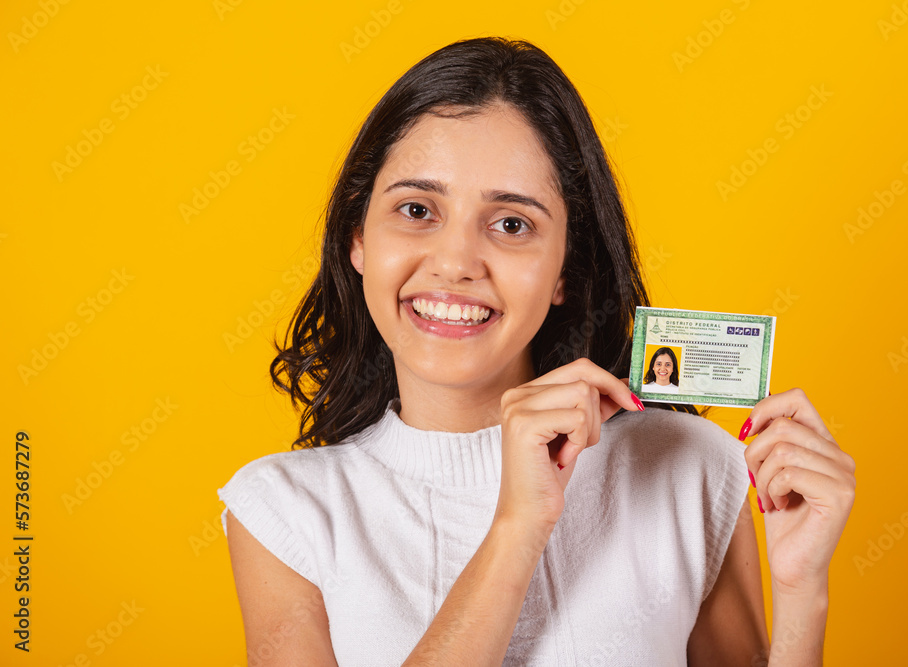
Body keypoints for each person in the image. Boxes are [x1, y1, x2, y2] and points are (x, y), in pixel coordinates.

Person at [218, 36, 856, 666]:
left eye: (511, 224)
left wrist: (803, 595)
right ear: (357, 238)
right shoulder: (283, 514)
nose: (456, 262)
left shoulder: (687, 470)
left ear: (564, 272)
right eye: (416, 209)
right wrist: (518, 526)